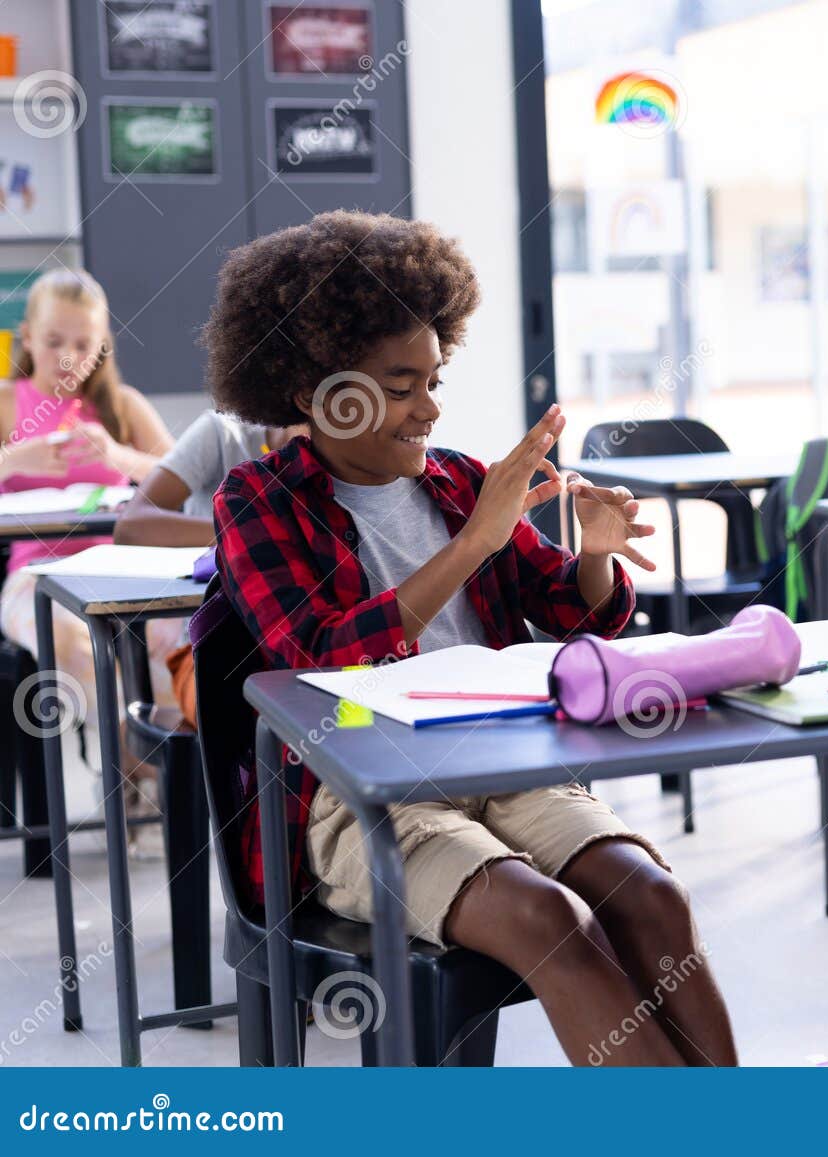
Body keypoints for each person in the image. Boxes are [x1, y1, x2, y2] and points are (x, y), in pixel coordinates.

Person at [203, 210, 736, 1066]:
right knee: (545, 917)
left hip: (501, 762)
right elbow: (321, 656)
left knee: (649, 896)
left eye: (434, 376)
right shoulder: (256, 500)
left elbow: (573, 610)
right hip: (363, 794)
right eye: (401, 383)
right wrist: (473, 544)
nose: (431, 406)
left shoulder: (456, 482)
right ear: (311, 392)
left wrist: (594, 557)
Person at [0, 269, 179, 839]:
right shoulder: (7, 403)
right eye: (54, 342)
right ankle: (151, 764)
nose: (68, 357)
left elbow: (184, 479)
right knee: (73, 642)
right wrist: (13, 461)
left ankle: (163, 764)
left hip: (118, 571)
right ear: (27, 337)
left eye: (84, 345)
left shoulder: (121, 406)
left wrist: (120, 456)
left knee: (179, 640)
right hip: (36, 576)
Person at [112, 411, 305, 726]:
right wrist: (243, 529)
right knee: (260, 713)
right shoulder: (223, 433)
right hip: (213, 653)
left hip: (303, 650)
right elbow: (131, 526)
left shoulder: (352, 457)